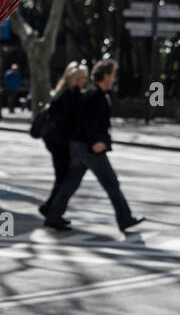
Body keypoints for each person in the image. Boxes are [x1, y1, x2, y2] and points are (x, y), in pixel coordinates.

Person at [44, 58, 144, 234]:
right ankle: (124, 218)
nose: (115, 78)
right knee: (111, 183)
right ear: (105, 75)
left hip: (81, 147)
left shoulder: (94, 94)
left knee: (71, 183)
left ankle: (53, 216)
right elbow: (86, 123)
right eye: (113, 74)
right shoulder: (94, 95)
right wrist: (96, 142)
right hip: (89, 148)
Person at [38, 61, 88, 225]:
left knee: (62, 177)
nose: (84, 81)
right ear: (75, 79)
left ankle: (50, 207)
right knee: (63, 177)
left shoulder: (61, 92)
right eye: (82, 78)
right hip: (61, 142)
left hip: (55, 141)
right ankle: (52, 211)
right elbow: (72, 122)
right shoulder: (71, 96)